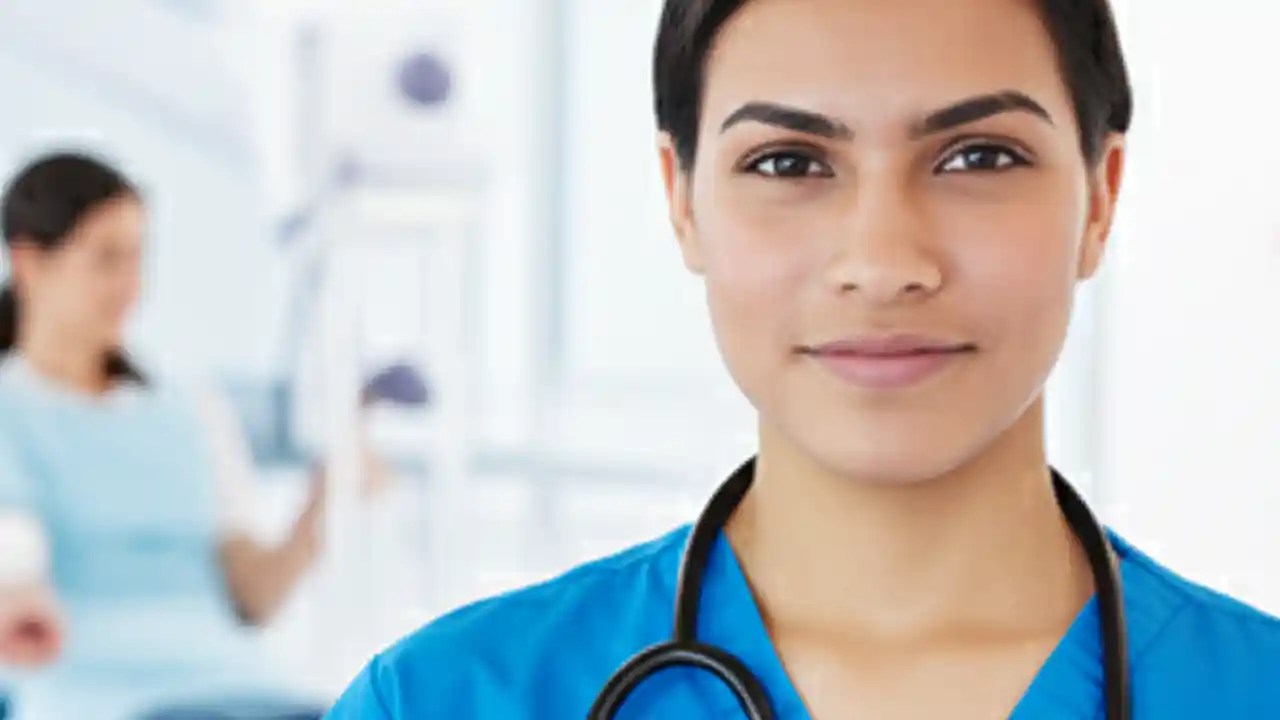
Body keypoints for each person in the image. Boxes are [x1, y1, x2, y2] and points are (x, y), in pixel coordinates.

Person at [326, 0, 1280, 717]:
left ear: (1101, 198)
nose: (882, 263)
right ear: (683, 200)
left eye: (978, 157)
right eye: (788, 162)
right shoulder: (443, 699)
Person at [0, 153, 372, 719]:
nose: (132, 286)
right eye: (106, 260)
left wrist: (329, 491)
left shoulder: (191, 409)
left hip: (242, 688)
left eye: (138, 259)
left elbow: (254, 596)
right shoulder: (12, 408)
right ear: (29, 262)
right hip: (96, 698)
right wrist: (20, 603)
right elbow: (14, 556)